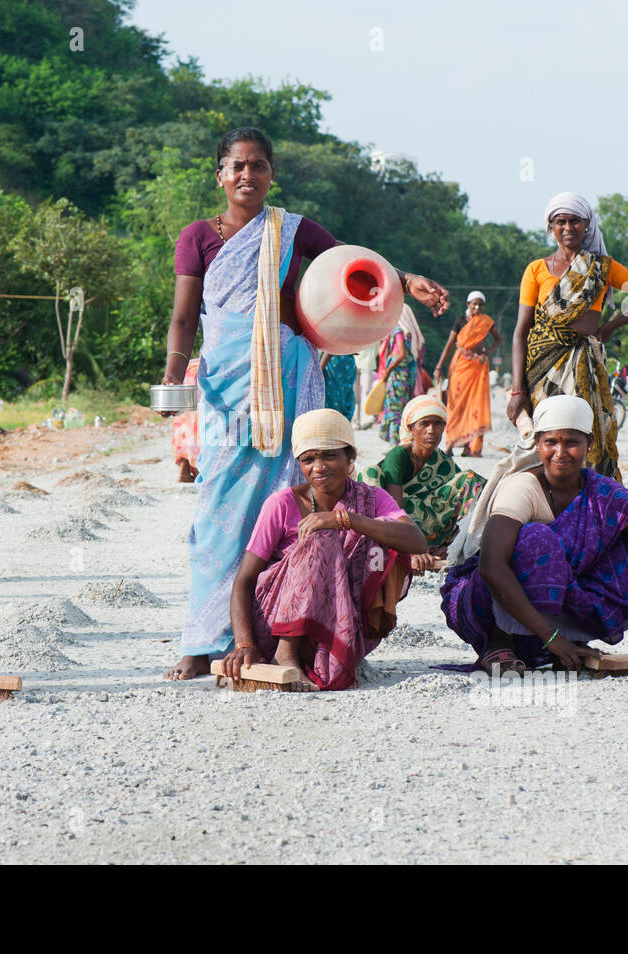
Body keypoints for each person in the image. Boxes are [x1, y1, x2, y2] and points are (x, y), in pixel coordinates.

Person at [160, 126, 450, 679]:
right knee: (217, 509)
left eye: (259, 165)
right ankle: (203, 640)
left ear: (272, 174)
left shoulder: (291, 230)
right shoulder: (197, 236)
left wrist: (406, 278)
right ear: (219, 174)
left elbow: (353, 264)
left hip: (290, 381)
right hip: (227, 385)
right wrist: (175, 372)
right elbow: (182, 316)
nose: (248, 175)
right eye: (237, 166)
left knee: (294, 502)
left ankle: (279, 630)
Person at [440, 395, 628, 675]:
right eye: (551, 442)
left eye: (572, 443)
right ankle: (500, 643)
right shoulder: (521, 489)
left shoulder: (604, 493)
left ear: (589, 444)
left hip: (557, 615)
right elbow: (491, 566)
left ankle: (572, 638)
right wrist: (552, 638)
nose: (560, 452)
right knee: (536, 539)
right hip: (488, 603)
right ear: (538, 444)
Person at [218, 409, 428, 690]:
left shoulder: (373, 498)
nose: (319, 467)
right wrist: (244, 643)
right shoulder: (281, 504)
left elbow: (415, 541)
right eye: (308, 459)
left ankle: (327, 650)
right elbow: (244, 581)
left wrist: (347, 519)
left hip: (343, 621)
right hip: (275, 621)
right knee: (321, 538)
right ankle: (286, 652)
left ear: (349, 458)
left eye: (329, 456)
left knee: (378, 544)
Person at [507, 193, 628, 479]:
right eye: (560, 221)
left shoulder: (602, 268)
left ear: (587, 225)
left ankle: (588, 503)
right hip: (542, 368)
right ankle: (543, 504)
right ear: (550, 227)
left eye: (575, 221)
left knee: (583, 434)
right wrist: (517, 391)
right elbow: (521, 331)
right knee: (547, 436)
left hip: (584, 363)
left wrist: (609, 327)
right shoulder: (536, 270)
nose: (568, 228)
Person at [359, 394, 486, 570]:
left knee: (472, 481)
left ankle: (452, 549)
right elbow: (394, 509)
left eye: (437, 424)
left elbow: (463, 496)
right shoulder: (399, 456)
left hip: (431, 529)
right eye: (424, 424)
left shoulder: (443, 462)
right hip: (400, 525)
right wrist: (412, 549)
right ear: (411, 428)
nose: (431, 430)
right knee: (369, 474)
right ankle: (400, 554)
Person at [435, 290, 500, 457]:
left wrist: (487, 353)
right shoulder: (460, 321)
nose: (477, 307)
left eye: (480, 304)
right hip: (460, 366)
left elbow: (498, 340)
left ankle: (470, 447)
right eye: (474, 304)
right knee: (455, 406)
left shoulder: (486, 322)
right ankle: (450, 444)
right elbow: (450, 344)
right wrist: (439, 366)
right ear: (468, 305)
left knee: (475, 406)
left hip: (478, 368)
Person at [377, 304, 426, 442]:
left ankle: (395, 444)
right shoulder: (408, 334)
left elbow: (401, 354)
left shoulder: (398, 331)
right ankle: (400, 442)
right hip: (404, 377)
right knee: (401, 408)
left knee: (394, 410)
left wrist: (388, 370)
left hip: (397, 377)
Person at [171, 357, 200, 482]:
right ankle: (200, 467)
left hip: (189, 369)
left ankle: (185, 464)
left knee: (186, 418)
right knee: (204, 419)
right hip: (212, 369)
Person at [320, 351, 357, 419]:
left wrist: (319, 370)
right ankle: (342, 424)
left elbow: (330, 348)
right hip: (348, 363)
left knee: (334, 400)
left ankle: (334, 425)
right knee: (344, 397)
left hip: (335, 363)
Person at [352, 340, 380, 428]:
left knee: (366, 392)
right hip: (355, 362)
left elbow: (376, 348)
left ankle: (366, 419)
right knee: (355, 394)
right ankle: (356, 421)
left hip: (368, 362)